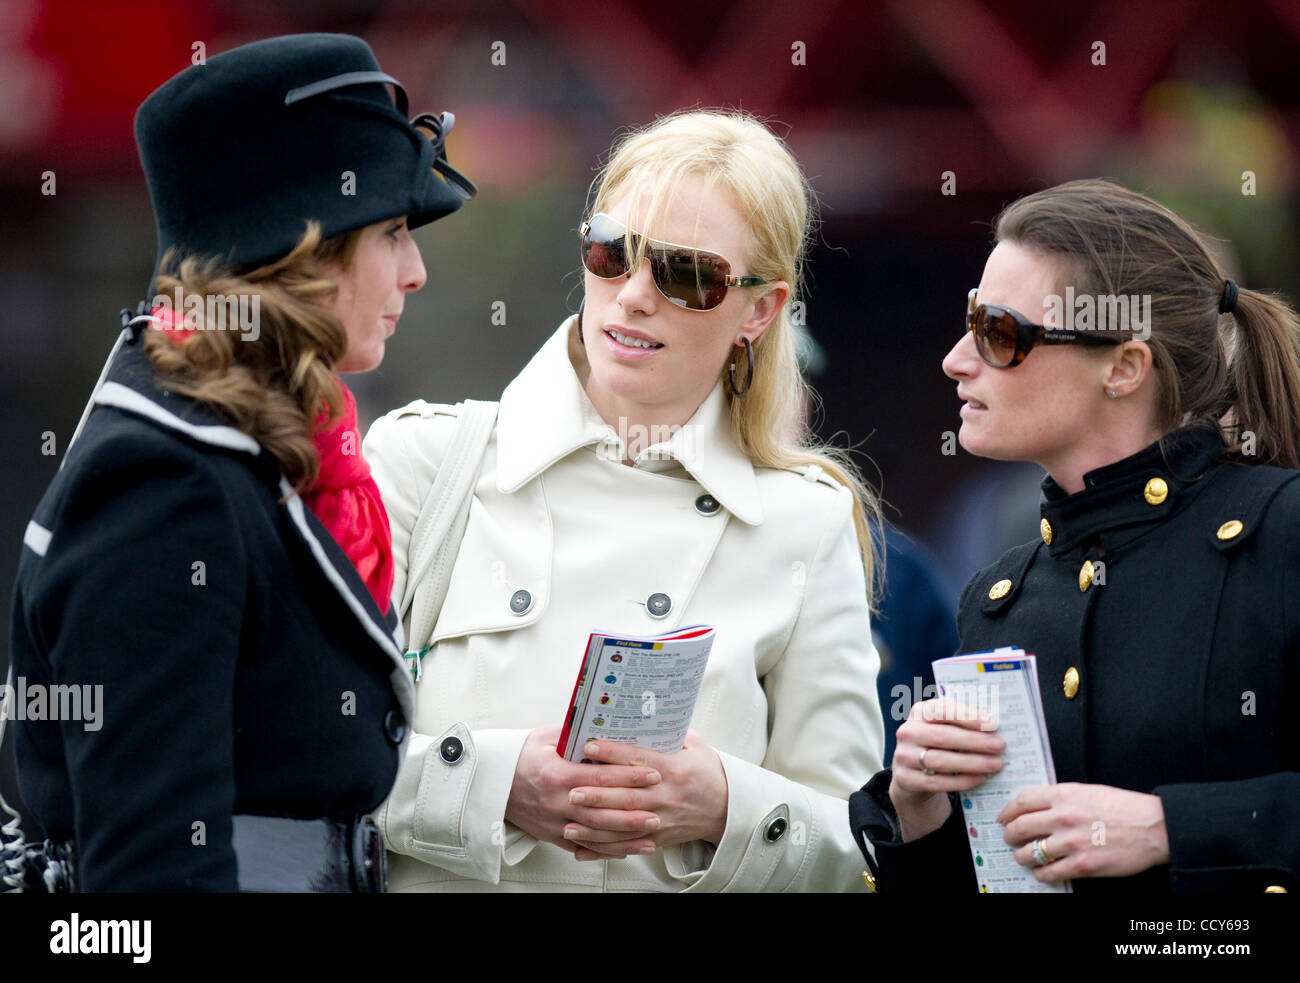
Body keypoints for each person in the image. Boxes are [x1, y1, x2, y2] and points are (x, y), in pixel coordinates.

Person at [364, 110, 886, 892]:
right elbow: (311, 752)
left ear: (760, 311)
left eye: (687, 275)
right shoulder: (425, 462)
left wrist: (723, 809)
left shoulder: (804, 522)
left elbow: (855, 848)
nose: (635, 295)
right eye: (611, 252)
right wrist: (498, 784)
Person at [6, 33, 474, 891]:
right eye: (396, 231)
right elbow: (145, 876)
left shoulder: (246, 450)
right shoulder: (163, 481)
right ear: (308, 250)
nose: (416, 271)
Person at [850, 178, 1300, 894]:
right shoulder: (998, 596)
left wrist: (1169, 827)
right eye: (971, 322)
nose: (956, 360)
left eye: (999, 332)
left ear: (1124, 366)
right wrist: (919, 807)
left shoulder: (1281, 534)